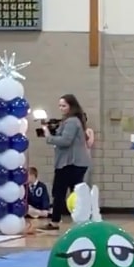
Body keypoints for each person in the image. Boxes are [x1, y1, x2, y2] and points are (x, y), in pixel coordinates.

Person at [41, 94, 92, 231]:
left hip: (70, 163)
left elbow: (65, 141)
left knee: (60, 192)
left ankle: (56, 221)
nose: (61, 108)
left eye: (64, 106)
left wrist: (48, 136)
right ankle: (82, 219)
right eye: (60, 106)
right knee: (73, 192)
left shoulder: (71, 122)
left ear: (71, 106)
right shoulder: (71, 121)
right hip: (72, 162)